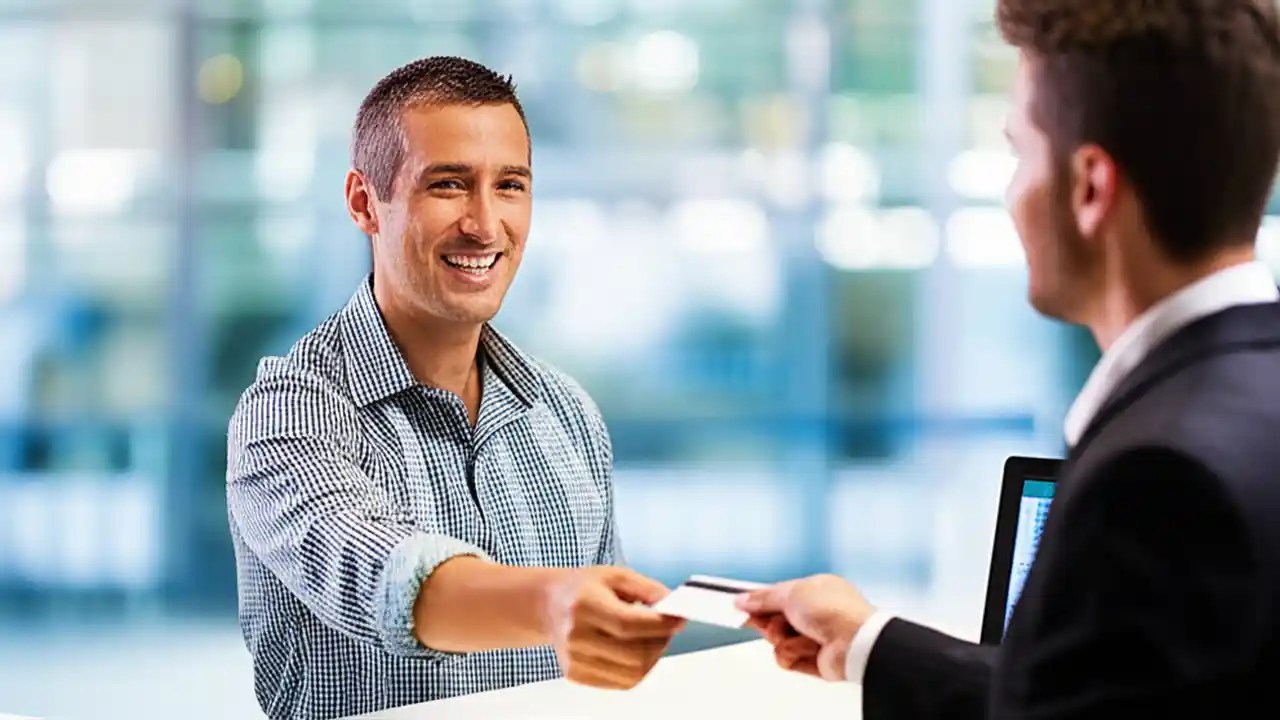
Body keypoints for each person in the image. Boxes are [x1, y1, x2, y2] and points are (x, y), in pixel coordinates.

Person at [737, 1, 1280, 718]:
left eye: (1020, 153)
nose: (1008, 194)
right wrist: (870, 644)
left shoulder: (1154, 480)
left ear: (1090, 187)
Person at [225, 56, 684, 720]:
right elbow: (387, 580)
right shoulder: (289, 415)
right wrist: (553, 604)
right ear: (363, 203)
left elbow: (597, 669)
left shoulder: (567, 414)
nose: (485, 224)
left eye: (510, 186)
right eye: (448, 185)